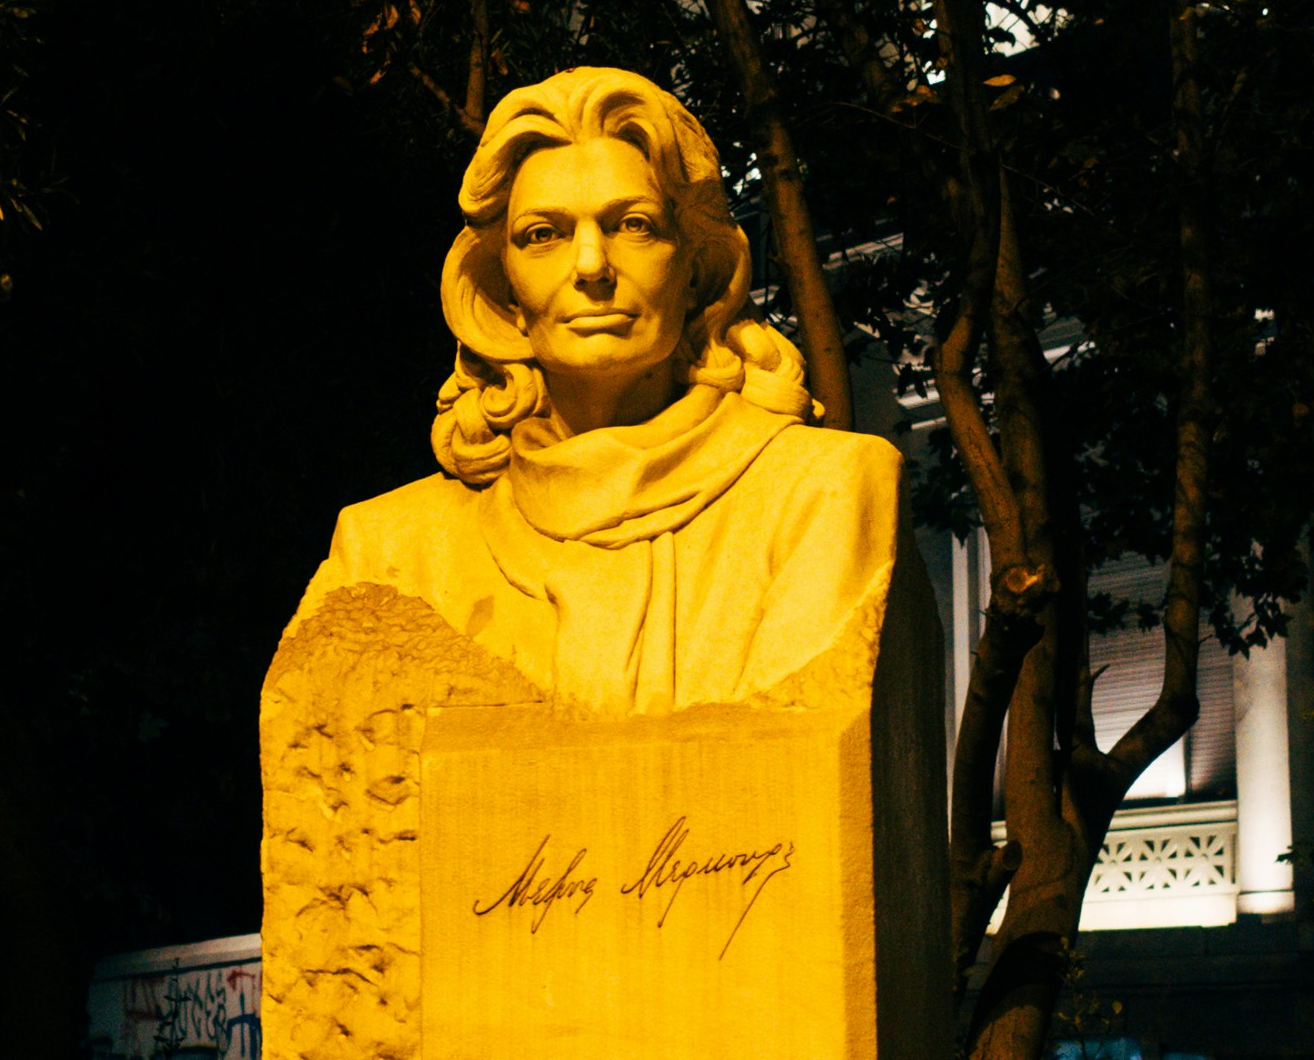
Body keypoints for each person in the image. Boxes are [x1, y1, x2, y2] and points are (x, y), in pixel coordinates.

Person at [294, 66, 905, 710]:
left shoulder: (825, 495)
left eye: (632, 225)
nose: (591, 266)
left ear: (698, 271)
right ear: (504, 293)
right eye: (542, 236)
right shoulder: (390, 552)